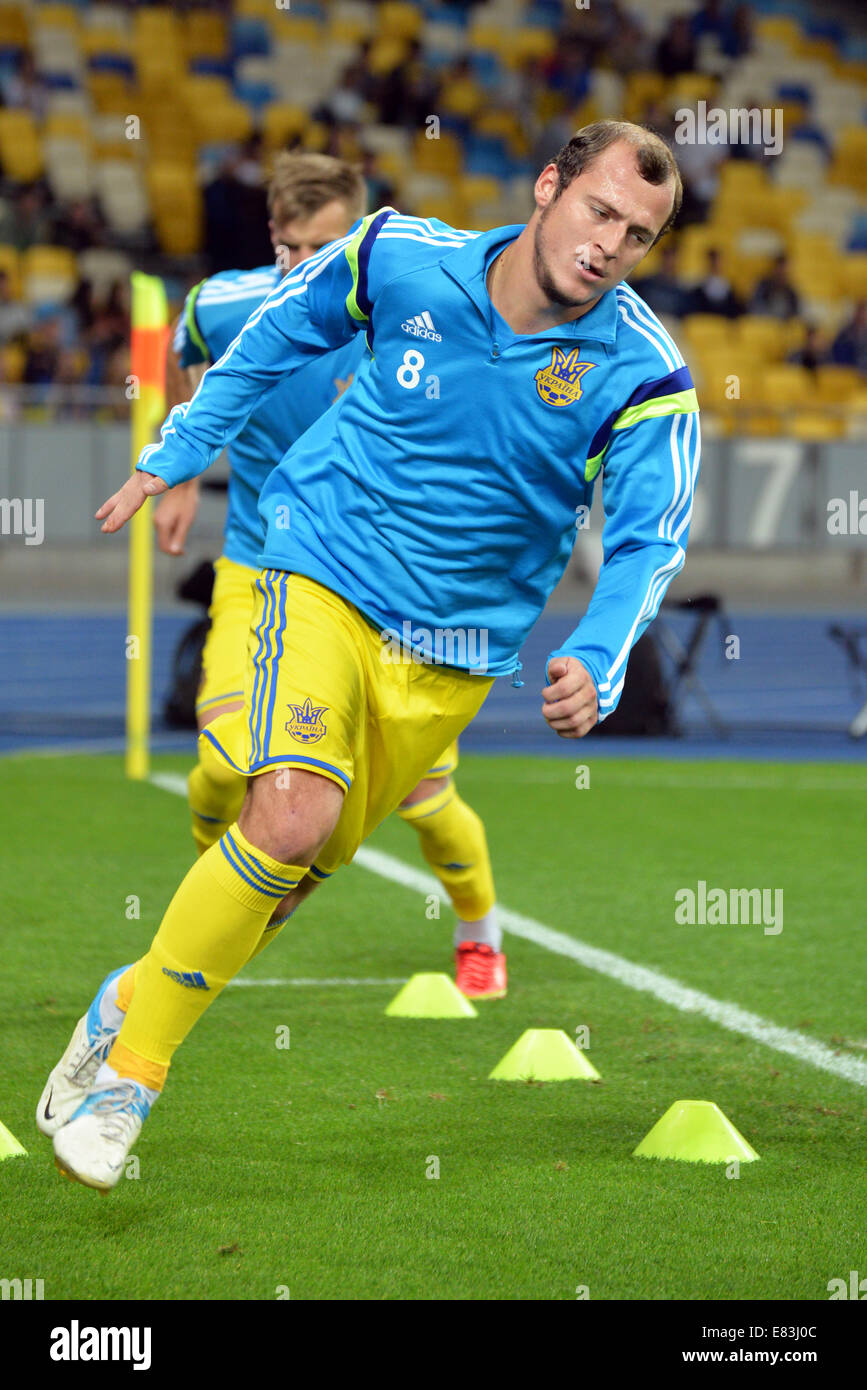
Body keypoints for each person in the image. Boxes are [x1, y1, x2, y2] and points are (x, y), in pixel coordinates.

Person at [45, 120, 701, 1192]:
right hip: (320, 569)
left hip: (449, 656)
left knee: (287, 877)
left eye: (637, 234)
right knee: (288, 812)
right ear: (548, 186)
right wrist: (179, 451)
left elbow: (647, 539)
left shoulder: (644, 374)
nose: (608, 245)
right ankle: (131, 1075)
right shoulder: (399, 254)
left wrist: (600, 650)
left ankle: (131, 995)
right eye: (598, 210)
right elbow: (262, 341)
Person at [152, 152, 503, 998]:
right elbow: (184, 351)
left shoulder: (403, 309)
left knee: (425, 802)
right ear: (273, 238)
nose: (317, 266)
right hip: (261, 567)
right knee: (219, 766)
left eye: (335, 245)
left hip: (387, 592)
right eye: (299, 248)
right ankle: (238, 888)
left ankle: (478, 930)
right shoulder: (225, 305)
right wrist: (188, 468)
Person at [749, 254, 800, 320]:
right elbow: (754, 307)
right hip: (765, 323)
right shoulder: (763, 286)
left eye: (786, 271)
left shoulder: (791, 291)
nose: (783, 273)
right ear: (774, 269)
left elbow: (796, 313)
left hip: (783, 326)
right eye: (780, 270)